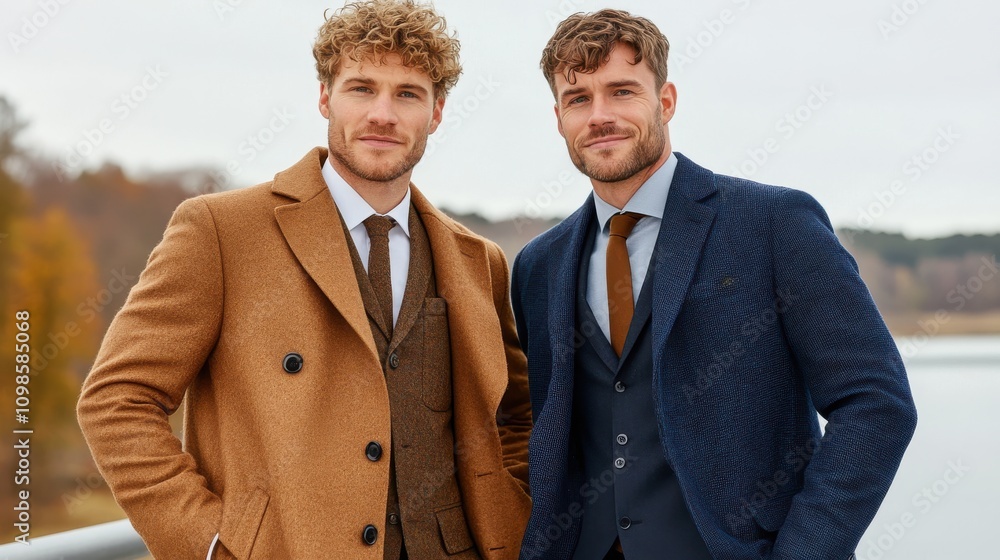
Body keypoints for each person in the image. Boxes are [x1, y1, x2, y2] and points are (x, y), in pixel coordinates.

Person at [77, 1, 531, 558]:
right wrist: (213, 542)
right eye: (361, 88)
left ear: (436, 112)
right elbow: (117, 400)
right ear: (325, 97)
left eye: (407, 93)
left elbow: (517, 417)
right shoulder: (221, 231)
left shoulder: (477, 259)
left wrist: (514, 515)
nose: (383, 115)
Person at [511, 9, 917, 560]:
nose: (599, 115)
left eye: (622, 91)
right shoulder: (540, 265)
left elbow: (876, 403)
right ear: (558, 117)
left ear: (667, 100)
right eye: (578, 98)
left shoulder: (774, 222)